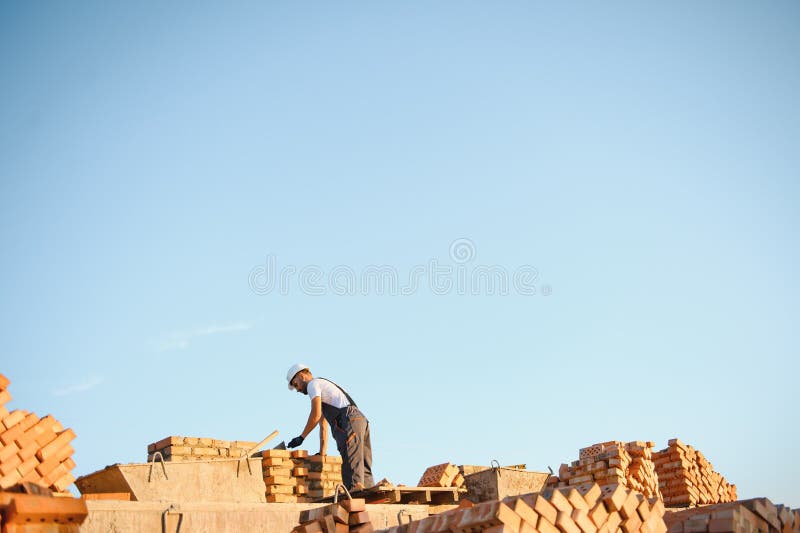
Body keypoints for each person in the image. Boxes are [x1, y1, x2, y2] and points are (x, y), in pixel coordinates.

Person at [285, 363, 374, 490]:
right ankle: (369, 496)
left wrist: (301, 437)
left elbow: (315, 415)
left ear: (302, 376)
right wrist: (322, 452)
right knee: (363, 465)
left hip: (349, 420)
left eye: (295, 384)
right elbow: (323, 426)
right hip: (360, 420)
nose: (297, 389)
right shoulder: (324, 388)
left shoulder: (312, 385)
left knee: (351, 465)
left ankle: (355, 494)